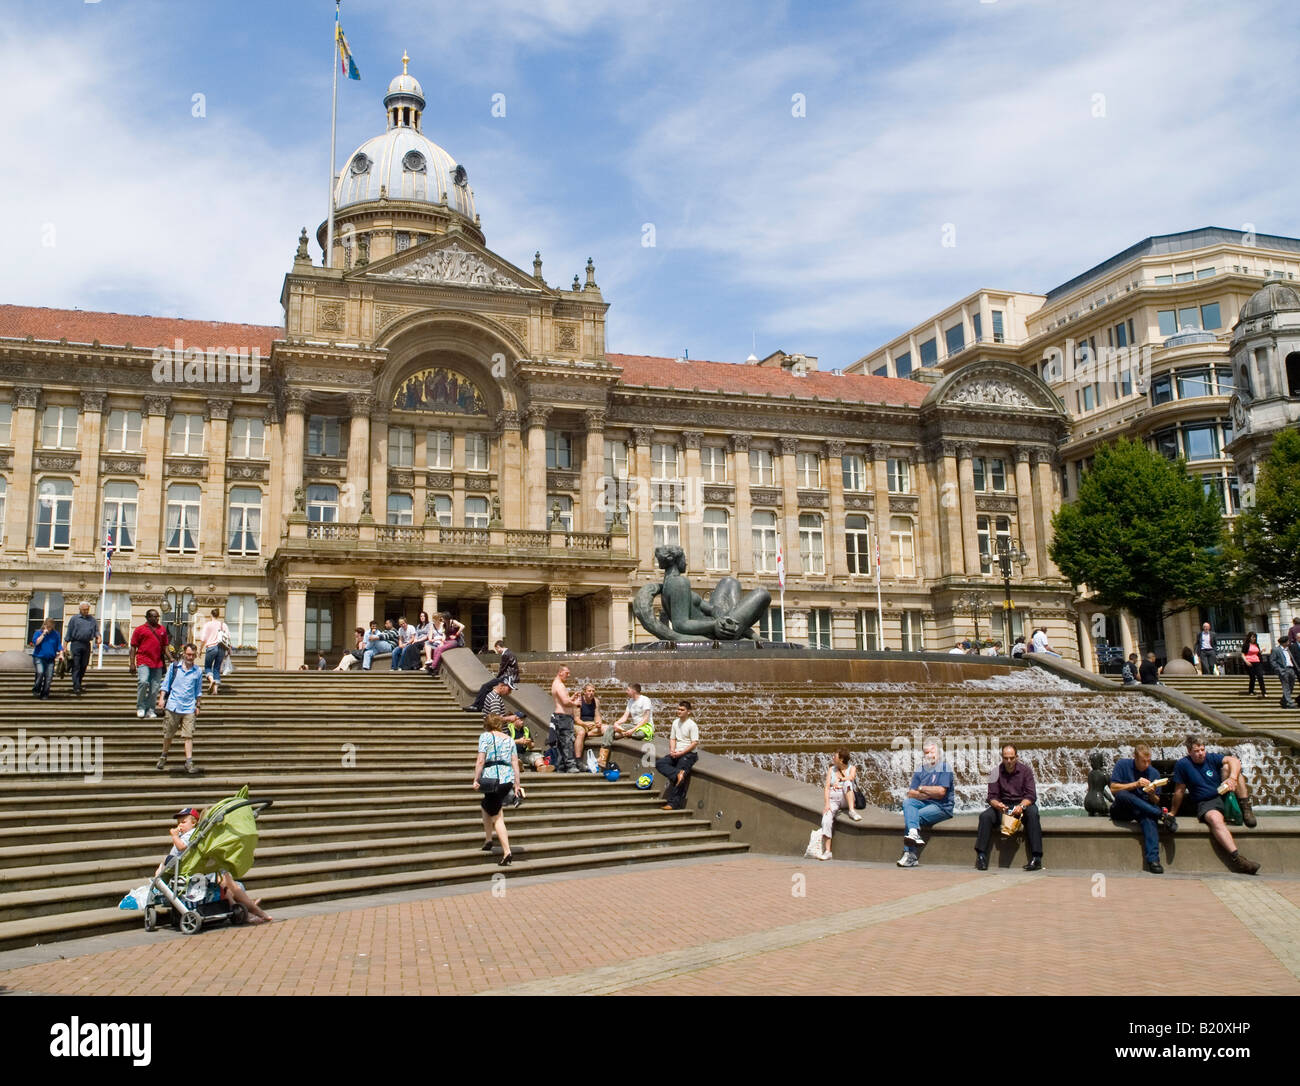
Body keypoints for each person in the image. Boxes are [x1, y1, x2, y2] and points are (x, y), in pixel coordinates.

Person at [156, 806, 273, 923]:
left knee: (226, 882)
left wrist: (174, 836)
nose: (180, 825)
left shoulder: (193, 835)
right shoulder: (195, 836)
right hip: (196, 870)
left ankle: (247, 909)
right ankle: (250, 909)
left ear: (195, 823)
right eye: (178, 823)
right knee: (226, 882)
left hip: (197, 870)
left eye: (183, 822)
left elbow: (182, 847)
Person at [1169, 736, 1259, 874]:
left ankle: (1246, 807)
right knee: (1215, 819)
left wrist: (1232, 778)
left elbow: (1234, 760)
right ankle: (1238, 859)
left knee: (1232, 767)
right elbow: (1179, 790)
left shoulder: (1211, 758)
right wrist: (1172, 812)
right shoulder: (1183, 765)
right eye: (1197, 751)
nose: (1201, 753)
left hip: (1223, 792)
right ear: (1189, 751)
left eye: (1203, 749)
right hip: (1206, 801)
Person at [1110, 742, 1178, 874]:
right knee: (1123, 794)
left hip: (1143, 809)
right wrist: (1135, 784)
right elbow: (1113, 788)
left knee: (1149, 818)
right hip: (1122, 809)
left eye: (1149, 761)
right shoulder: (1122, 765)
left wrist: (1152, 793)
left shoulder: (1154, 773)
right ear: (1135, 757)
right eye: (1143, 761)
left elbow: (1157, 800)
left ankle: (1154, 861)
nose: (1147, 764)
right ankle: (1161, 816)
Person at [975, 744, 1043, 871]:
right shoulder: (995, 772)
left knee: (1033, 813)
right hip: (1003, 806)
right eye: (1006, 758)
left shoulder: (1026, 771)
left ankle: (1036, 857)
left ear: (1016, 757)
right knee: (985, 816)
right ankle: (981, 856)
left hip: (1022, 805)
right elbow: (991, 797)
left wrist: (1021, 806)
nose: (1009, 761)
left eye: (1011, 758)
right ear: (1002, 758)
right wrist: (997, 805)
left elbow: (1031, 795)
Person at [474, 714, 524, 865]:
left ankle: (507, 851)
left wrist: (476, 778)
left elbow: (481, 760)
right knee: (485, 806)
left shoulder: (485, 737)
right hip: (507, 779)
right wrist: (517, 784)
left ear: (487, 725)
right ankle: (488, 839)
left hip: (491, 779)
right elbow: (515, 762)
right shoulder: (509, 739)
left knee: (497, 816)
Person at [897, 740, 954, 868]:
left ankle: (910, 854)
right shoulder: (920, 770)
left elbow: (940, 792)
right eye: (926, 753)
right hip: (924, 803)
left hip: (942, 807)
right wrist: (928, 793)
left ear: (938, 753)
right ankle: (913, 833)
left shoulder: (945, 768)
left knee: (912, 815)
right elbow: (911, 793)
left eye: (932, 752)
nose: (929, 755)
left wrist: (922, 789)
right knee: (908, 803)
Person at [156, 643, 204, 775]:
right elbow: (165, 684)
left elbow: (198, 690)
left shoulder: (198, 671)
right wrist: (161, 698)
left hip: (189, 707)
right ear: (184, 653)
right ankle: (163, 755)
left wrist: (198, 705)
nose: (190, 657)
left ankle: (189, 762)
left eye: (193, 655)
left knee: (188, 736)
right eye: (188, 654)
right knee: (168, 734)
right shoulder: (174, 667)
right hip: (173, 705)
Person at [817, 748, 860, 861]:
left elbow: (851, 778)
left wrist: (840, 780)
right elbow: (827, 787)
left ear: (841, 759)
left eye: (835, 757)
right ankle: (827, 851)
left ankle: (851, 811)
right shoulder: (831, 769)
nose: (833, 758)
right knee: (826, 819)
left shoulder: (852, 768)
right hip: (833, 799)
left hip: (847, 797)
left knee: (847, 783)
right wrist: (827, 804)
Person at [657, 700, 700, 810]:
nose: (679, 711)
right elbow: (673, 738)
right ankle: (677, 773)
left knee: (680, 778)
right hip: (676, 753)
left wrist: (681, 752)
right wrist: (672, 750)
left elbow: (694, 743)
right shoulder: (675, 722)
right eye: (678, 709)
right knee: (660, 763)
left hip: (688, 754)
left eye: (682, 710)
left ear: (688, 712)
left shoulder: (692, 725)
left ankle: (673, 804)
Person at [129, 609, 170, 718]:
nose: (157, 618)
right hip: (143, 660)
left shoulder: (162, 629)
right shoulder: (139, 630)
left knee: (155, 687)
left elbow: (165, 647)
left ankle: (150, 709)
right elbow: (133, 647)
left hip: (157, 662)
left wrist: (171, 658)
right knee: (143, 682)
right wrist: (132, 663)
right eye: (154, 616)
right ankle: (140, 707)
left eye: (157, 617)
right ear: (147, 617)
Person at [604, 681, 655, 770]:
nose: (626, 692)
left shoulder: (645, 700)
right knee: (610, 728)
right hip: (633, 725)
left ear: (633, 691)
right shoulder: (630, 701)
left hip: (645, 726)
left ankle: (624, 734)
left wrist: (632, 730)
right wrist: (617, 723)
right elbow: (625, 717)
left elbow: (646, 719)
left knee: (640, 734)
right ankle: (603, 755)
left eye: (628, 690)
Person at [465, 640, 519, 712]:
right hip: (512, 677)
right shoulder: (510, 653)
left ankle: (477, 706)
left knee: (485, 686)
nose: (497, 651)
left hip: (507, 678)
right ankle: (479, 705)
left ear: (498, 647)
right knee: (489, 686)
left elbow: (502, 668)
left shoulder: (505, 654)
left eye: (496, 649)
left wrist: (496, 678)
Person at [548, 665, 582, 772]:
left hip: (561, 717)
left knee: (562, 742)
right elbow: (565, 702)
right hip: (563, 718)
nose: (569, 675)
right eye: (567, 673)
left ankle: (561, 766)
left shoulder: (557, 684)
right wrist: (575, 703)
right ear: (560, 672)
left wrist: (572, 697)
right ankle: (571, 766)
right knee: (567, 742)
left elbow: (565, 700)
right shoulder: (559, 685)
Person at [63, 601, 100, 697]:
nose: (86, 611)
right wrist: (65, 645)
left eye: (87, 609)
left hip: (87, 644)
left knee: (84, 665)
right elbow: (69, 632)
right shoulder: (74, 619)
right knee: (76, 665)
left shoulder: (92, 619)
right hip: (76, 643)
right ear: (80, 609)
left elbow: (96, 631)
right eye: (84, 609)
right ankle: (76, 685)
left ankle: (78, 681)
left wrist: (98, 637)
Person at [196, 608, 229, 695]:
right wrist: (229, 649)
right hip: (221, 648)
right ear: (218, 615)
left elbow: (203, 639)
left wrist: (199, 650)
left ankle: (211, 680)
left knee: (207, 667)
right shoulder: (223, 625)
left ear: (211, 615)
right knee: (217, 668)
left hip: (211, 647)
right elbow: (228, 637)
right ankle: (215, 690)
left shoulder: (208, 625)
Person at [30, 617, 62, 699]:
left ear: (53, 626)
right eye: (47, 626)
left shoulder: (56, 634)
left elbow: (59, 645)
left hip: (50, 659)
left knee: (49, 677)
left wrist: (61, 654)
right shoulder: (38, 633)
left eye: (50, 627)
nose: (48, 628)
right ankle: (36, 689)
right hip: (39, 657)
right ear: (44, 625)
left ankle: (45, 694)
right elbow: (36, 643)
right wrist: (43, 634)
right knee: (40, 673)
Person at [574, 683, 604, 765]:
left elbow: (597, 715)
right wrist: (584, 724)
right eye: (589, 691)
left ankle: (588, 734)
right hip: (580, 724)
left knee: (607, 729)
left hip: (591, 724)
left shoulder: (596, 701)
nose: (591, 693)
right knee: (581, 733)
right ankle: (578, 760)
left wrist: (599, 722)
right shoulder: (579, 700)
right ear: (584, 692)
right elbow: (576, 719)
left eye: (593, 691)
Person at [1270, 634, 1296, 708]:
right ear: (1284, 642)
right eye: (1288, 641)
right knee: (1286, 686)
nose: (1289, 642)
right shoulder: (1276, 650)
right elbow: (1272, 661)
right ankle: (1290, 702)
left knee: (1291, 686)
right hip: (1283, 670)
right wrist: (1279, 669)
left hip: (1291, 669)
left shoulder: (1288, 649)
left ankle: (1284, 700)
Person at [1240, 631, 1266, 698]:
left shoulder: (1256, 644)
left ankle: (1264, 692)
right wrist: (1246, 661)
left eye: (1255, 637)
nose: (1254, 638)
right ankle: (1251, 690)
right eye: (1252, 637)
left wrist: (1261, 651)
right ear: (1249, 637)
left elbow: (1257, 653)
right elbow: (1242, 654)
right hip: (1249, 662)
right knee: (1252, 677)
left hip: (1257, 661)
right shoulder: (1246, 645)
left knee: (1260, 676)